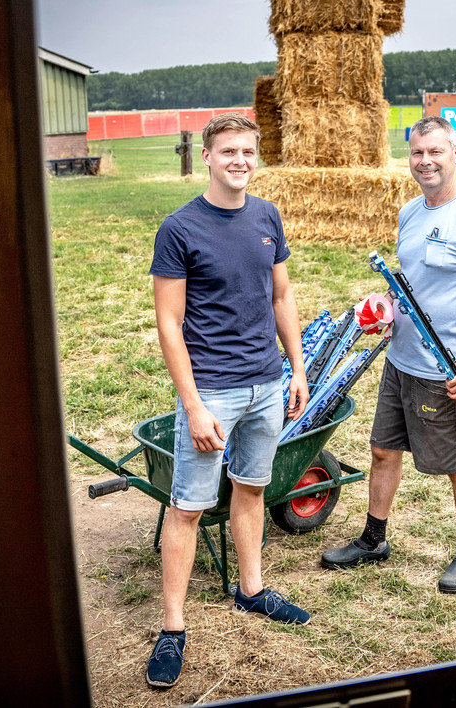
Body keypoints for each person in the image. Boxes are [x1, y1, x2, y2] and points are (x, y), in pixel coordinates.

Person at [321, 114, 456, 593]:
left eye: (435, 152)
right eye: (417, 153)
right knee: (382, 450)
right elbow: (410, 287)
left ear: (455, 155)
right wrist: (383, 307)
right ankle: (374, 539)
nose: (425, 161)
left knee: (455, 462)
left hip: (446, 370)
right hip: (400, 359)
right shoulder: (410, 213)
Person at [145, 112, 311, 689]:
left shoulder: (267, 216)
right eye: (228, 152)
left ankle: (253, 590)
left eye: (247, 151)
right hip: (212, 389)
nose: (239, 160)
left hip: (267, 382)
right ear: (207, 157)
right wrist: (192, 405)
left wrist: (296, 368)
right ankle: (172, 627)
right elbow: (169, 324)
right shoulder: (180, 228)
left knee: (253, 489)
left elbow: (282, 295)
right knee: (188, 506)